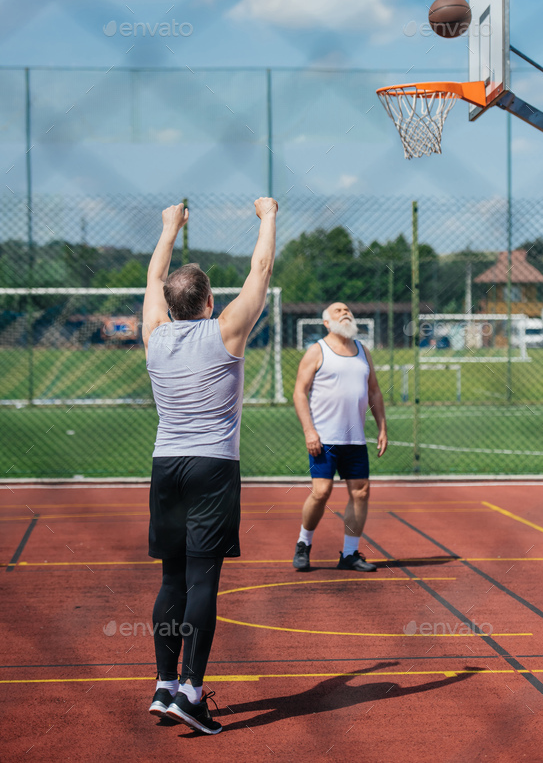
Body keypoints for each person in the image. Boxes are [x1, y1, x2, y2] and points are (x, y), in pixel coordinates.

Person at [142, 197, 278, 734]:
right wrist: (267, 217)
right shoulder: (224, 332)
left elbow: (155, 278)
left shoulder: (154, 334)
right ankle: (192, 695)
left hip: (166, 466)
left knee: (171, 579)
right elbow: (261, 270)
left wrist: (169, 229)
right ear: (209, 301)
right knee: (203, 582)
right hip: (212, 468)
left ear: (170, 304)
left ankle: (163, 684)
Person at [292, 302, 388, 572]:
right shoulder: (317, 351)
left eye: (347, 310)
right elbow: (300, 392)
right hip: (324, 439)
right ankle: (303, 543)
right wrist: (309, 431)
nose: (345, 312)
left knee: (361, 493)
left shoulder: (363, 352)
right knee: (321, 492)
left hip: (355, 439)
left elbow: (375, 392)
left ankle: (349, 554)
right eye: (337, 311)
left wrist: (382, 427)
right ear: (326, 323)